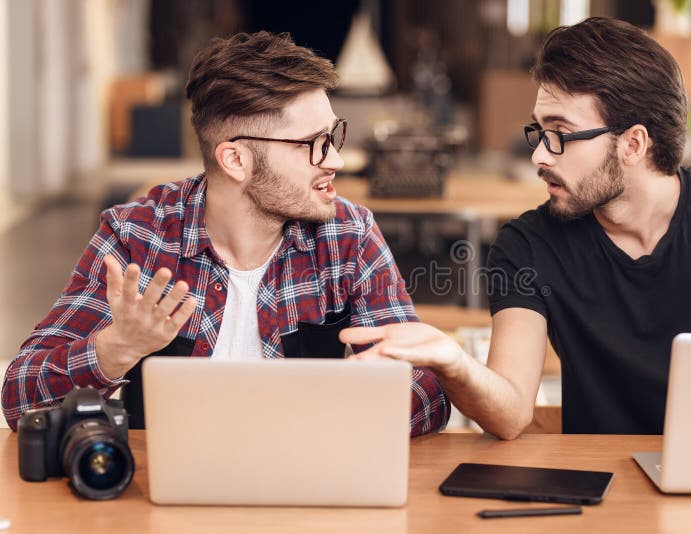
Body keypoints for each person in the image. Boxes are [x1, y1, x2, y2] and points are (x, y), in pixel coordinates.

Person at [341, 17, 691, 438]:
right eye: (539, 133)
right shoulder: (528, 244)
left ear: (633, 144)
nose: (540, 156)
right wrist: (454, 361)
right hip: (598, 487)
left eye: (559, 134)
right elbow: (512, 410)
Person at [1, 31, 449, 435]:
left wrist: (353, 397)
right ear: (235, 160)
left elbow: (429, 392)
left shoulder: (346, 235)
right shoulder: (137, 236)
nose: (334, 160)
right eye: (314, 144)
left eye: (333, 136)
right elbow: (20, 399)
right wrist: (116, 349)